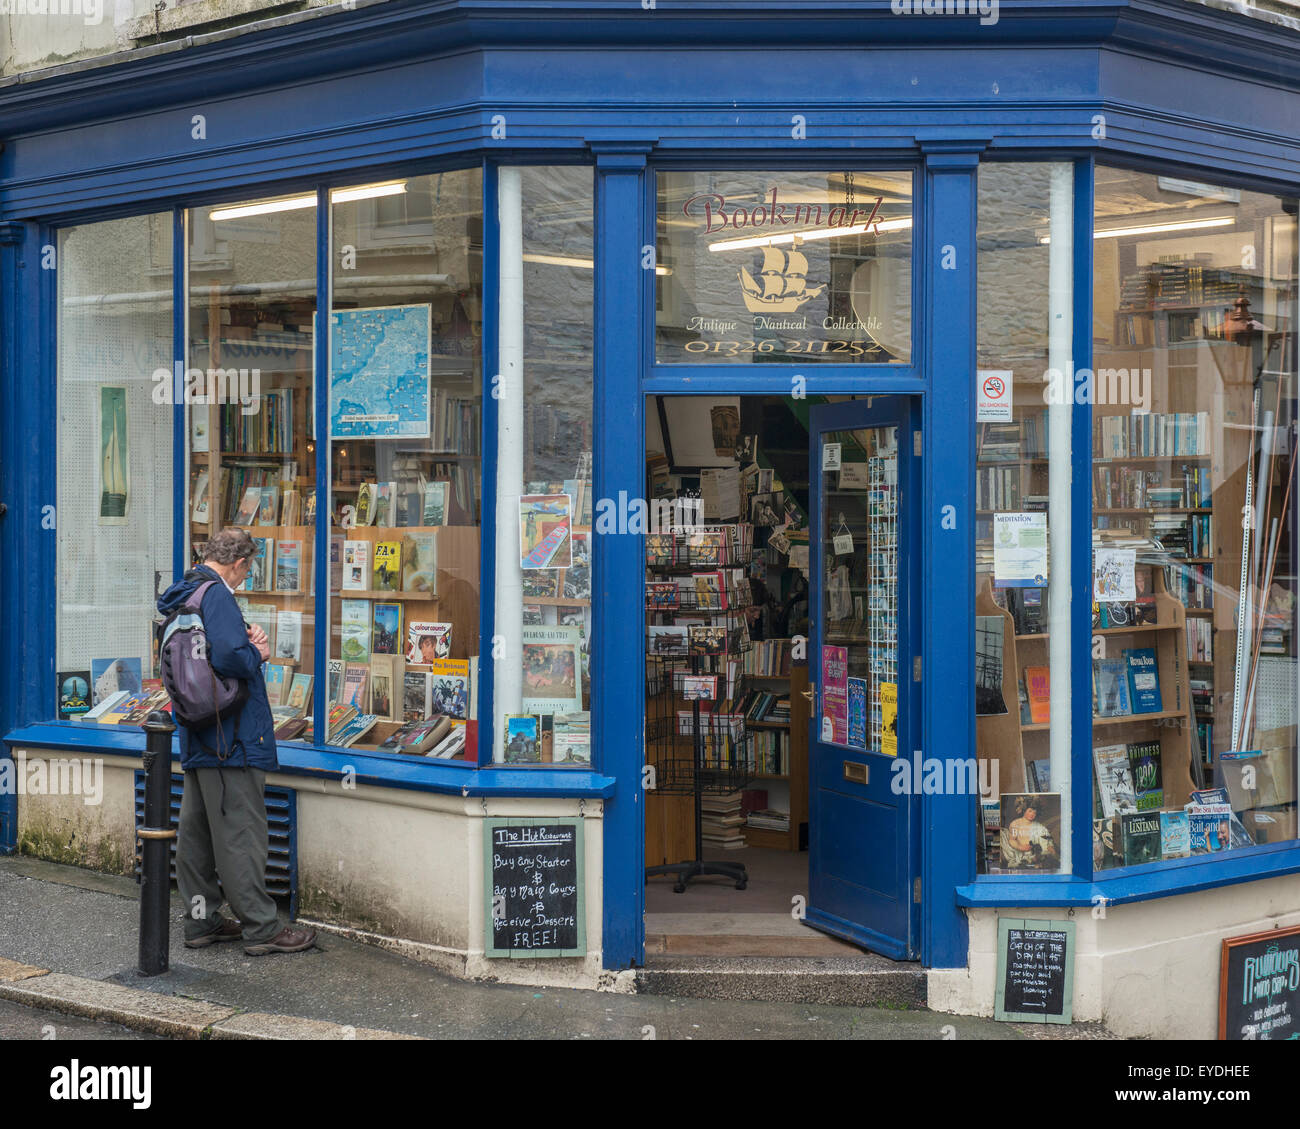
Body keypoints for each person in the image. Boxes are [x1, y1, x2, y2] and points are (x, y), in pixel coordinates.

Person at [157, 527, 316, 956]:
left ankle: (200, 921)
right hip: (233, 738)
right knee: (241, 833)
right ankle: (262, 928)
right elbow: (229, 656)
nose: (245, 578)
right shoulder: (218, 596)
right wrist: (258, 654)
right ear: (240, 562)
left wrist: (242, 644)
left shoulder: (183, 591)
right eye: (247, 570)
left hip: (198, 735)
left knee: (197, 834)